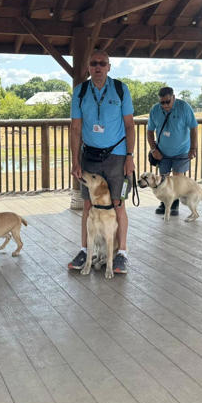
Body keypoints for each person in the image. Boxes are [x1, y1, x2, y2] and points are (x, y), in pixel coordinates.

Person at [68, 50, 135, 274]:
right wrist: (75, 161)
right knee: (88, 204)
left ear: (109, 66)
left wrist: (130, 157)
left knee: (118, 203)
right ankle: (85, 250)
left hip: (117, 155)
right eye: (94, 63)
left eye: (102, 63)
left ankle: (121, 253)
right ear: (88, 67)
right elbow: (76, 128)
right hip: (90, 156)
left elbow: (129, 126)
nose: (98, 67)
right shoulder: (80, 91)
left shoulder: (120, 89)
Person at [146, 86, 198, 215]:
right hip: (162, 152)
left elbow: (194, 128)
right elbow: (149, 131)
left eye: (167, 102)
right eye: (161, 102)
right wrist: (153, 149)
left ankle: (174, 203)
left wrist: (193, 148)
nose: (164, 105)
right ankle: (164, 202)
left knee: (177, 177)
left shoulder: (184, 107)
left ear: (173, 98)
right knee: (163, 178)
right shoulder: (155, 110)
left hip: (182, 150)